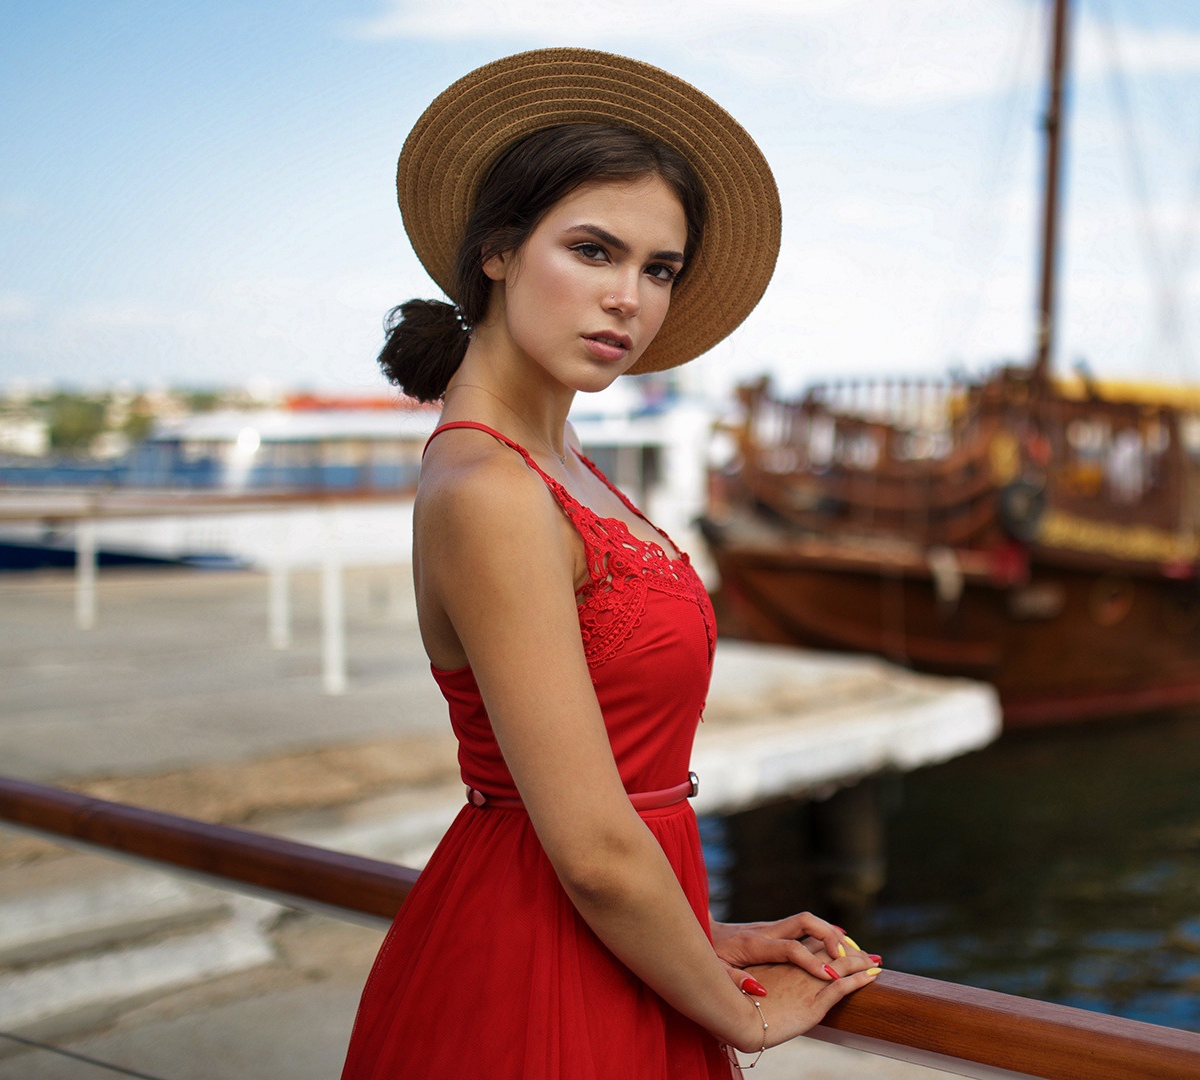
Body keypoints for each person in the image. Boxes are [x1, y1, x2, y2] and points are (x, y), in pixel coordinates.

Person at [340, 50, 880, 1079]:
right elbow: (588, 847)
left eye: (658, 269)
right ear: (498, 250)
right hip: (534, 970)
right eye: (594, 251)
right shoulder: (490, 489)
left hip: (616, 944)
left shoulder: (570, 468)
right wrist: (747, 1015)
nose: (628, 298)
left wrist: (703, 941)